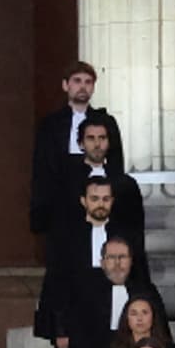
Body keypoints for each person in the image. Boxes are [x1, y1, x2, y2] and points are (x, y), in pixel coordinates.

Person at [35, 68, 120, 257]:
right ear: (66, 85)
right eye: (77, 81)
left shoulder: (106, 121)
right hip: (61, 199)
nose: (83, 86)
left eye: (88, 82)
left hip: (96, 194)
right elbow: (42, 169)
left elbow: (115, 161)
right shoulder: (51, 124)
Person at [71, 119, 150, 261]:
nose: (97, 144)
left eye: (102, 138)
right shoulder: (67, 183)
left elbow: (136, 232)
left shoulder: (126, 185)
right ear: (81, 144)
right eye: (91, 138)